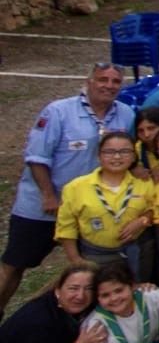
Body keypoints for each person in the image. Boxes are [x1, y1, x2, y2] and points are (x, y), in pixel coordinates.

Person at [3, 64, 135, 317]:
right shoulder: (58, 111)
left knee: (83, 271)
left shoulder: (125, 114)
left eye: (115, 81)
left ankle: (51, 316)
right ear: (89, 81)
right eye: (103, 79)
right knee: (14, 265)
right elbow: (37, 157)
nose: (109, 85)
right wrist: (48, 195)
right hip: (44, 208)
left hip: (89, 210)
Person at [52, 132, 158, 275]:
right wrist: (75, 259)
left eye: (125, 151)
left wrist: (143, 220)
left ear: (134, 156)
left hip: (137, 253)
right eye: (109, 152)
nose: (117, 157)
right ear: (99, 155)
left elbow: (156, 209)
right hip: (94, 255)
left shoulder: (145, 183)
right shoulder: (75, 187)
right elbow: (66, 227)